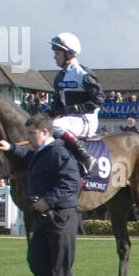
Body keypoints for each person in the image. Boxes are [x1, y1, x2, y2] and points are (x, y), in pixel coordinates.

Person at [0, 114, 83, 276]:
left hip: (60, 216)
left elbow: (70, 181)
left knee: (60, 269)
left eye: (32, 133)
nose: (28, 137)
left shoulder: (60, 153)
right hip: (44, 218)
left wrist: (48, 201)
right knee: (36, 262)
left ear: (44, 132)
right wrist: (9, 147)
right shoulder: (42, 153)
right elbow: (27, 156)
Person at [47, 32, 101, 174]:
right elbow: (58, 104)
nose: (54, 57)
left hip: (85, 119)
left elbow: (98, 101)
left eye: (57, 53)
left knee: (54, 126)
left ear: (69, 54)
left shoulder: (83, 74)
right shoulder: (59, 77)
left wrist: (72, 109)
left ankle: (86, 157)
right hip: (68, 119)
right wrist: (51, 112)